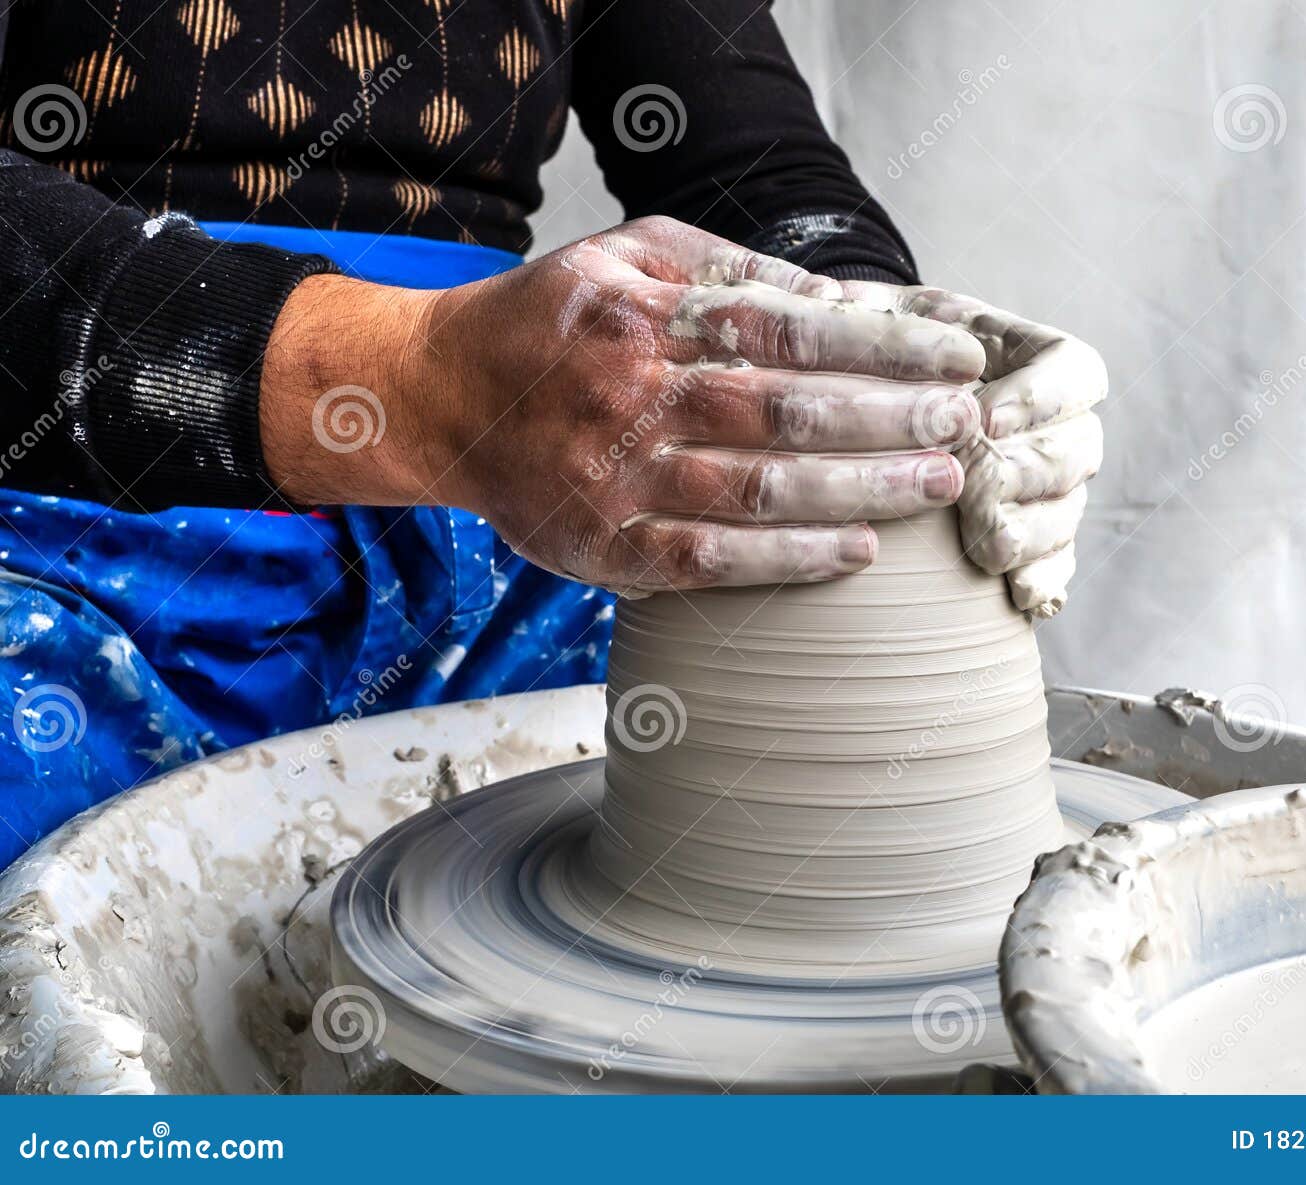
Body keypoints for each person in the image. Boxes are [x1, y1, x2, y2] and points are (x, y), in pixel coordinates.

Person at [0, 0, 1104, 868]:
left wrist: (887, 360)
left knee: (828, 664)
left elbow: (752, 169)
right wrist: (408, 382)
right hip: (77, 457)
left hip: (512, 495)